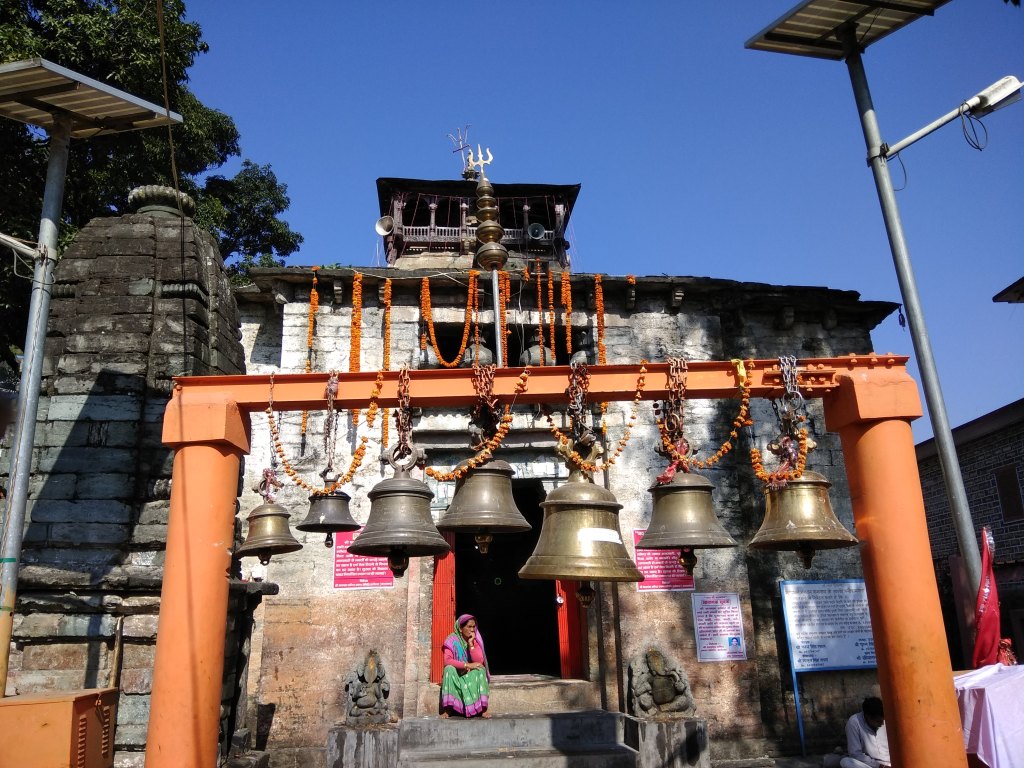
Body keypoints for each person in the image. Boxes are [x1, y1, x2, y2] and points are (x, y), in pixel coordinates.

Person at [439, 614, 491, 718]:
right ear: (460, 628)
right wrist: (467, 665)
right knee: (449, 669)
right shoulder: (451, 640)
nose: (472, 630)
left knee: (481, 669)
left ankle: (483, 708)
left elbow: (479, 661)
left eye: (474, 627)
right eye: (469, 627)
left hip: (468, 677)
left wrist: (471, 645)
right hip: (456, 677)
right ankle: (448, 709)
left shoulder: (475, 640)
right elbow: (447, 661)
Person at [838, 696, 890, 768]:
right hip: (871, 765)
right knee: (846, 762)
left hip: (892, 763)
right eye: (878, 721)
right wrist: (880, 766)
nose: (882, 724)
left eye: (883, 720)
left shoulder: (889, 718)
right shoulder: (854, 722)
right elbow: (855, 754)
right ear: (868, 717)